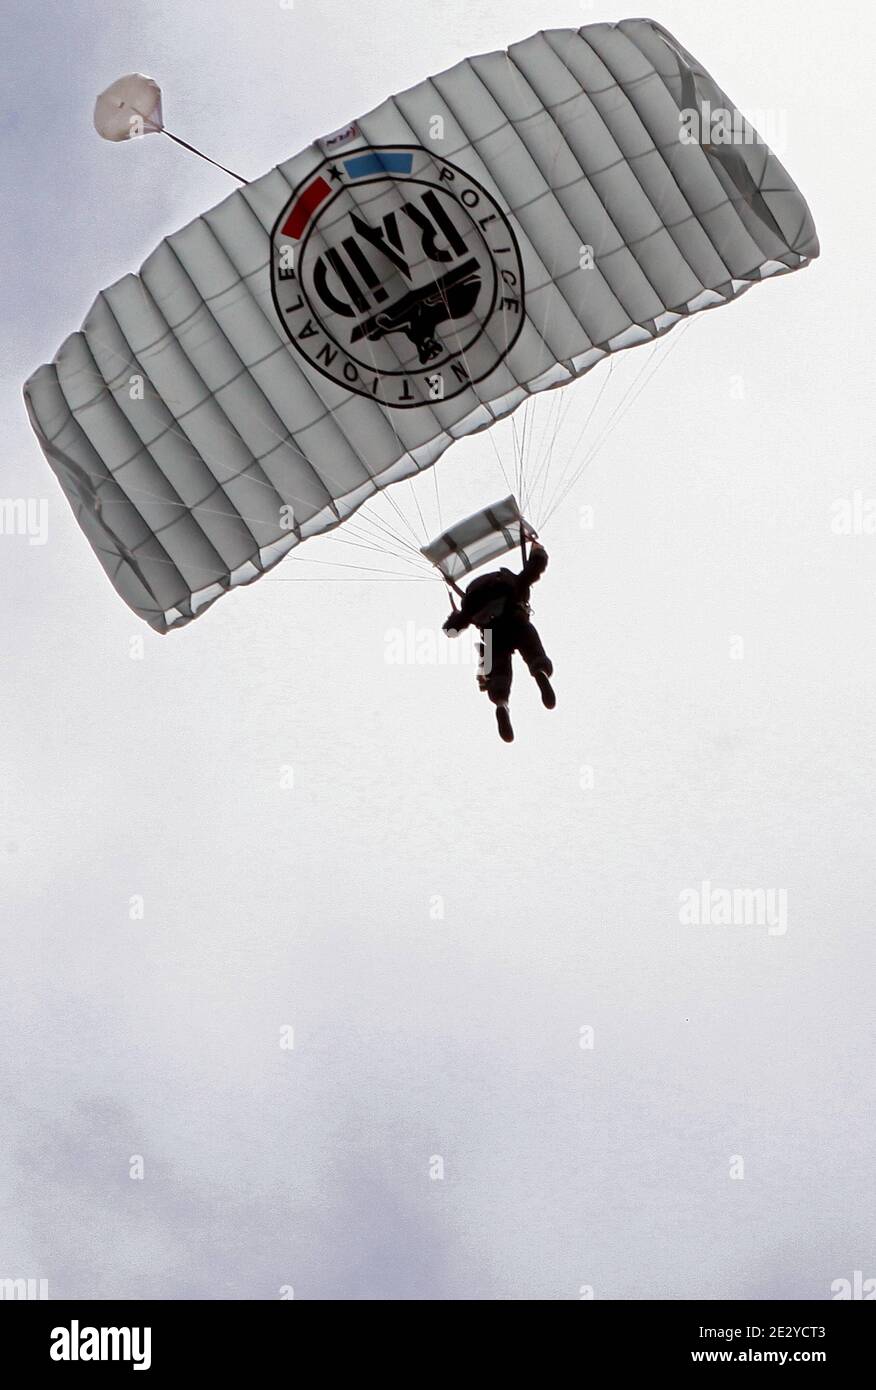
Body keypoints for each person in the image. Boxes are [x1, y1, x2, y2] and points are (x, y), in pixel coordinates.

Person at [442, 540, 555, 743]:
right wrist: (538, 550)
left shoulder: (472, 607)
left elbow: (450, 631)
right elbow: (533, 570)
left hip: (493, 632)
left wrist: (455, 616)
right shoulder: (512, 584)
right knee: (531, 647)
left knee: (499, 667)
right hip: (514, 615)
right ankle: (539, 671)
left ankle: (501, 702)